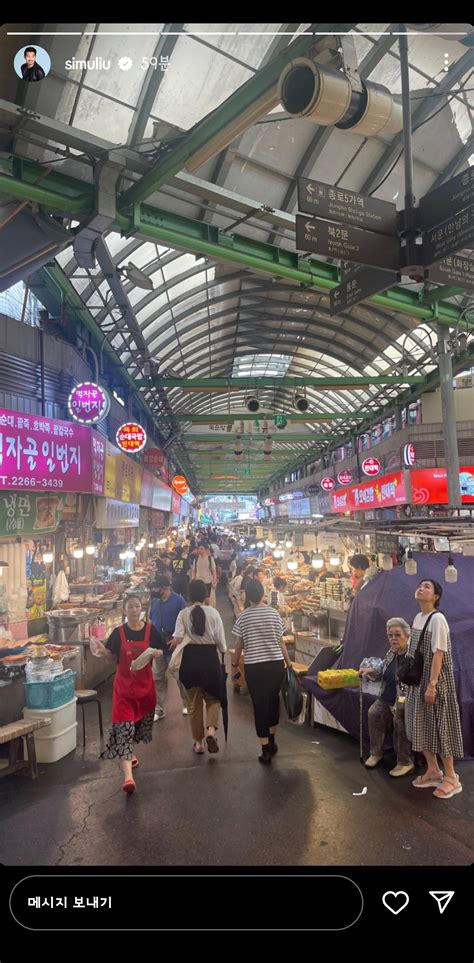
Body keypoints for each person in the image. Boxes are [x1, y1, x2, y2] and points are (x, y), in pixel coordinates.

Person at [95, 595, 163, 794]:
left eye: (137, 606)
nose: (134, 610)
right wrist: (101, 652)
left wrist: (157, 652)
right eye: (130, 607)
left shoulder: (150, 630)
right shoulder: (118, 633)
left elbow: (161, 647)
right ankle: (127, 778)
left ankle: (130, 752)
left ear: (141, 609)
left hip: (145, 690)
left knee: (135, 727)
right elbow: (111, 657)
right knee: (124, 728)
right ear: (124, 611)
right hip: (123, 690)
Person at [405, 579, 463, 799]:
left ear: (436, 596)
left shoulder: (438, 619)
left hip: (435, 682)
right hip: (418, 681)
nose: (421, 588)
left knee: (442, 727)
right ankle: (432, 770)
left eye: (427, 587)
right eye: (419, 585)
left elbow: (439, 654)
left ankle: (451, 777)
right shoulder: (418, 618)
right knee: (419, 725)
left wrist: (432, 685)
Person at [232, 579, 292, 764]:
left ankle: (265, 749)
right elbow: (281, 641)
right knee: (273, 701)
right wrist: (288, 664)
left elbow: (239, 644)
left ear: (248, 596)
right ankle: (272, 740)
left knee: (259, 705)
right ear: (262, 593)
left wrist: (234, 663)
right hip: (275, 665)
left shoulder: (243, 616)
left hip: (255, 667)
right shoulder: (273, 614)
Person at [170, 579, 227, 755]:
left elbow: (178, 638)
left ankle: (199, 743)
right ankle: (211, 732)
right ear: (204, 595)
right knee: (213, 698)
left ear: (189, 596)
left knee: (194, 705)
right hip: (210, 661)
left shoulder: (183, 614)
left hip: (190, 663)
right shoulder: (214, 613)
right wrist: (222, 649)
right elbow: (222, 644)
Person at [359, 618, 414, 776]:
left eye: (397, 635)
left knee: (400, 719)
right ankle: (376, 753)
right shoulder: (391, 652)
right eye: (390, 635)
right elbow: (383, 673)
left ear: (407, 635)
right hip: (388, 696)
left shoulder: (413, 656)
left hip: (405, 699)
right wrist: (371, 672)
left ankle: (405, 761)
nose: (393, 638)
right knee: (374, 713)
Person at [149, 575, 187, 720]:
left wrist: (177, 639)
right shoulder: (155, 602)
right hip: (158, 646)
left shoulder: (179, 601)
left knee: (179, 676)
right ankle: (159, 709)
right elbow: (151, 622)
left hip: (174, 644)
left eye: (157, 588)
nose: (155, 590)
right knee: (158, 677)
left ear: (165, 588)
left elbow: (184, 622)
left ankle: (186, 703)